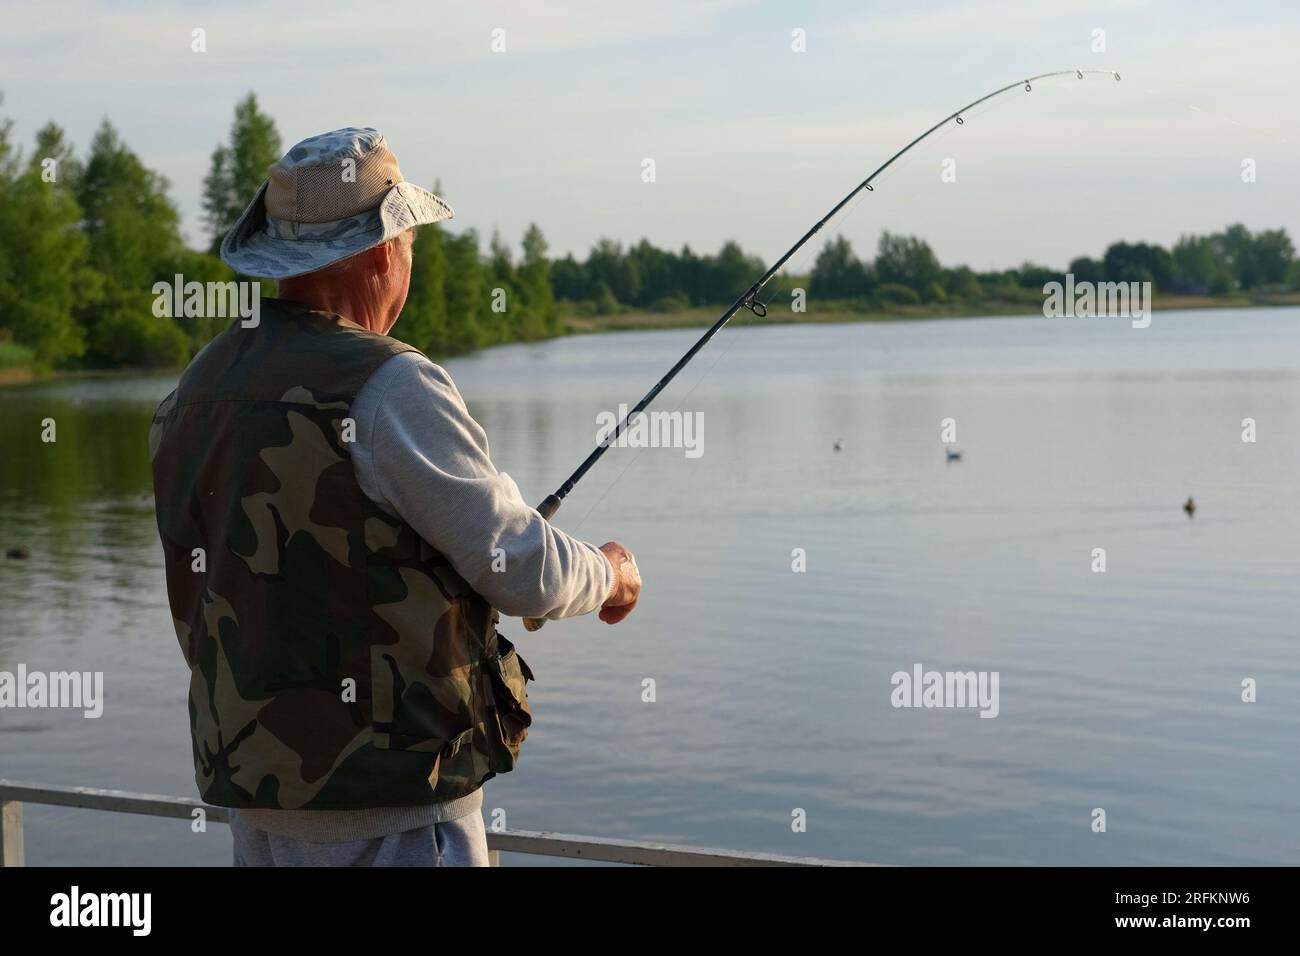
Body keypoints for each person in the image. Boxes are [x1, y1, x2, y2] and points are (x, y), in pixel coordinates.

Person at [149, 127, 641, 867]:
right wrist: (609, 573)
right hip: (392, 809)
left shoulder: (192, 392)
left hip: (255, 804)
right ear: (384, 250)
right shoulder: (391, 385)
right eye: (410, 242)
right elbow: (518, 567)